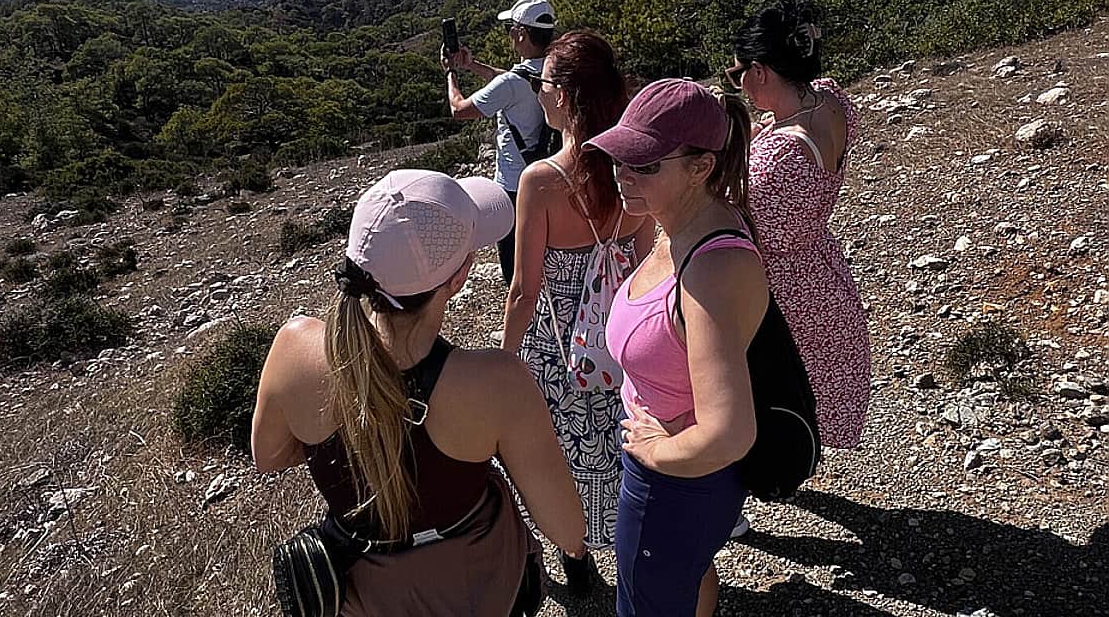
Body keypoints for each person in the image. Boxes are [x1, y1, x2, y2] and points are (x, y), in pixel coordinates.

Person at [251, 169, 587, 616]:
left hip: (361, 593)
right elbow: (566, 529)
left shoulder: (293, 348)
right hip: (477, 588)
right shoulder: (496, 382)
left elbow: (268, 456)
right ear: (459, 277)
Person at [588, 79, 767, 617]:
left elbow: (729, 432)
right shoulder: (680, 225)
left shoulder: (711, 268)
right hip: (681, 477)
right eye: (621, 158)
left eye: (645, 166)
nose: (623, 176)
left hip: (675, 480)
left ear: (700, 167)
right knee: (686, 577)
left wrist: (654, 453)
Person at [500, 31, 655, 588]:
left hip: (560, 344)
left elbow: (523, 287)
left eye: (542, 82)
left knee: (559, 452)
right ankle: (637, 545)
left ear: (563, 96)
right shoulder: (634, 166)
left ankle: (575, 553)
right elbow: (645, 261)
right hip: (622, 332)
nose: (538, 92)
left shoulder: (540, 180)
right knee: (626, 438)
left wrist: (505, 358)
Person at [725, 0, 871, 452]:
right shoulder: (831, 99)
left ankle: (774, 468)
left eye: (738, 73)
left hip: (782, 286)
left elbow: (744, 224)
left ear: (761, 72)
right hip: (820, 264)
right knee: (817, 377)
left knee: (774, 384)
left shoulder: (780, 152)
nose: (738, 85)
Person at [442, 0, 556, 286]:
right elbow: (511, 80)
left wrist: (451, 73)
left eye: (511, 29)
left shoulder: (512, 84)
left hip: (515, 185)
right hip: (553, 175)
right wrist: (473, 65)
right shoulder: (555, 70)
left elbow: (460, 109)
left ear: (520, 34)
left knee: (514, 266)